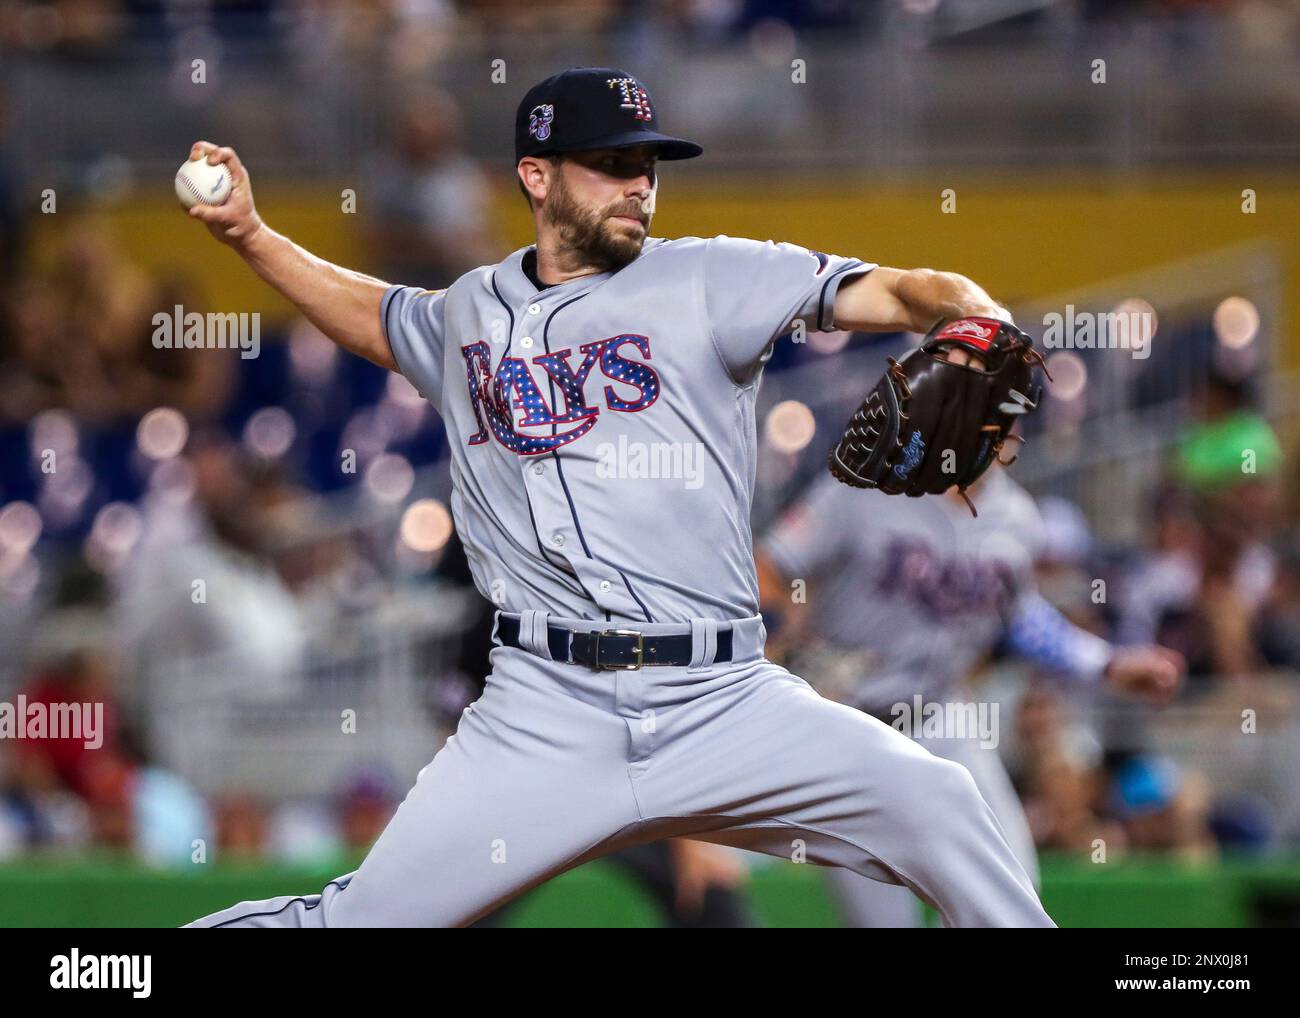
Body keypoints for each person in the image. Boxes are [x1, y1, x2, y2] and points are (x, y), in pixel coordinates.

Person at [182, 67, 1054, 928]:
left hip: (721, 696)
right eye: (609, 161)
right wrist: (252, 235)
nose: (639, 184)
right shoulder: (469, 311)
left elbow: (905, 290)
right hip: (543, 708)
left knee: (939, 803)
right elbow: (377, 314)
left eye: (649, 166)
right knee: (361, 923)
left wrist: (974, 315)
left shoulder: (715, 277)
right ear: (538, 175)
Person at [756, 468, 1184, 926]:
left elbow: (1019, 616)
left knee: (1010, 883)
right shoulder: (860, 486)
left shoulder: (1016, 515)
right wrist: (781, 653)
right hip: (846, 728)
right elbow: (770, 569)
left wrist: (1105, 662)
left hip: (941, 716)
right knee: (883, 924)